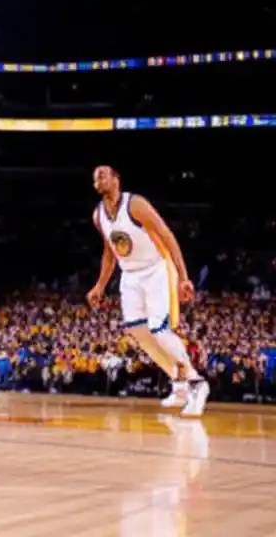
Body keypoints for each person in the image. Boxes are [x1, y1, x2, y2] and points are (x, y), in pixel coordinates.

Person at [86, 165, 208, 416]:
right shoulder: (98, 215)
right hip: (129, 275)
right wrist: (100, 285)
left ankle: (197, 382)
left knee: (159, 330)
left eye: (103, 174)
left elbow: (167, 235)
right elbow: (110, 252)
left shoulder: (135, 205)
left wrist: (183, 277)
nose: (98, 177)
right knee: (138, 332)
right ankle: (179, 382)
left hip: (156, 270)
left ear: (116, 179)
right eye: (95, 175)